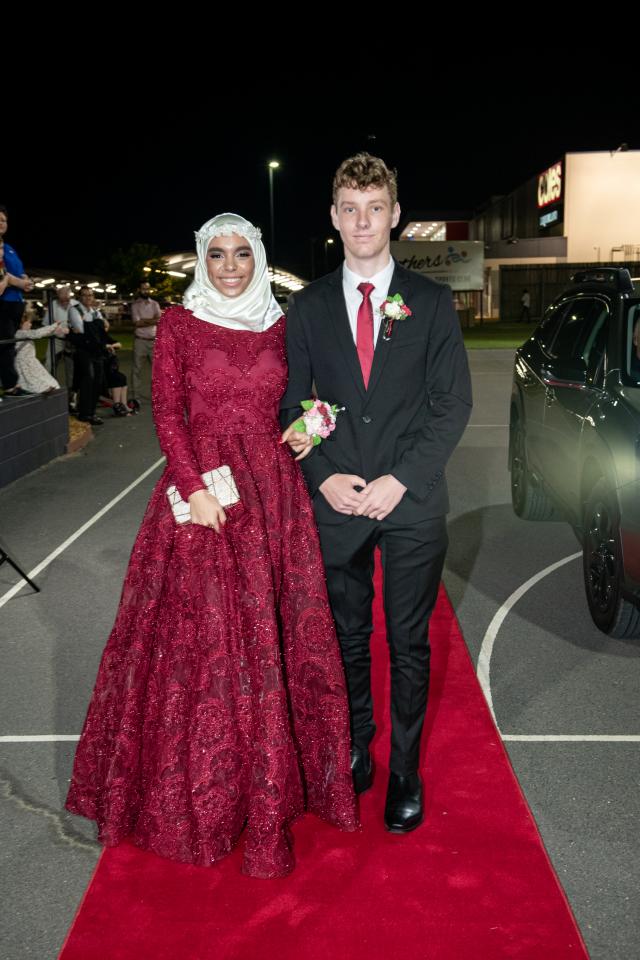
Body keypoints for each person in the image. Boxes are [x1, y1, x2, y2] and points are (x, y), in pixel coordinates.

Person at [65, 213, 357, 878]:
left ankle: (274, 785)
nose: (229, 266)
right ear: (204, 259)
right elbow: (166, 411)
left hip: (274, 494)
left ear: (257, 258)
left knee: (272, 636)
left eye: (241, 254)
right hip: (201, 498)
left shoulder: (283, 326)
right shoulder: (178, 325)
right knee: (208, 647)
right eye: (217, 255)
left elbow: (325, 396)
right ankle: (205, 799)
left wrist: (312, 427)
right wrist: (194, 487)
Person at [281, 154, 472, 834]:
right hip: (336, 503)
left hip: (411, 505)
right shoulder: (304, 308)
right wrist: (321, 472)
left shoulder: (431, 302)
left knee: (410, 643)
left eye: (375, 207)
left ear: (395, 215)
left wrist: (400, 480)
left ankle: (405, 770)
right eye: (350, 208)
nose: (363, 221)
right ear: (335, 218)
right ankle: (357, 747)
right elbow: (289, 402)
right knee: (346, 638)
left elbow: (452, 406)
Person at [0, 205, 34, 397]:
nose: (1, 223)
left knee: (10, 344)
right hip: (3, 302)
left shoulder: (9, 248)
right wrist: (20, 282)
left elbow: (17, 271)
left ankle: (12, 382)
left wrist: (25, 279)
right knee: (5, 344)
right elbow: (3, 275)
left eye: (4, 220)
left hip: (15, 302)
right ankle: (10, 386)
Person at [14, 312, 67, 393]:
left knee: (46, 378)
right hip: (25, 363)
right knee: (32, 381)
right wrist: (54, 325)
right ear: (21, 323)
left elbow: (42, 334)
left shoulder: (25, 333)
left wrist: (57, 331)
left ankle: (48, 388)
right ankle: (41, 390)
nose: (30, 325)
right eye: (27, 322)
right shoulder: (20, 333)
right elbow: (37, 333)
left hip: (31, 362)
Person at [129, 280, 161, 410]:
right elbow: (137, 323)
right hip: (140, 341)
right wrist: (152, 321)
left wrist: (145, 320)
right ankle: (136, 398)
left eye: (147, 289)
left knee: (157, 372)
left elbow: (160, 320)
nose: (146, 291)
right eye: (143, 289)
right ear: (139, 290)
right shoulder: (135, 305)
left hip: (154, 341)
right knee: (137, 370)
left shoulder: (155, 304)